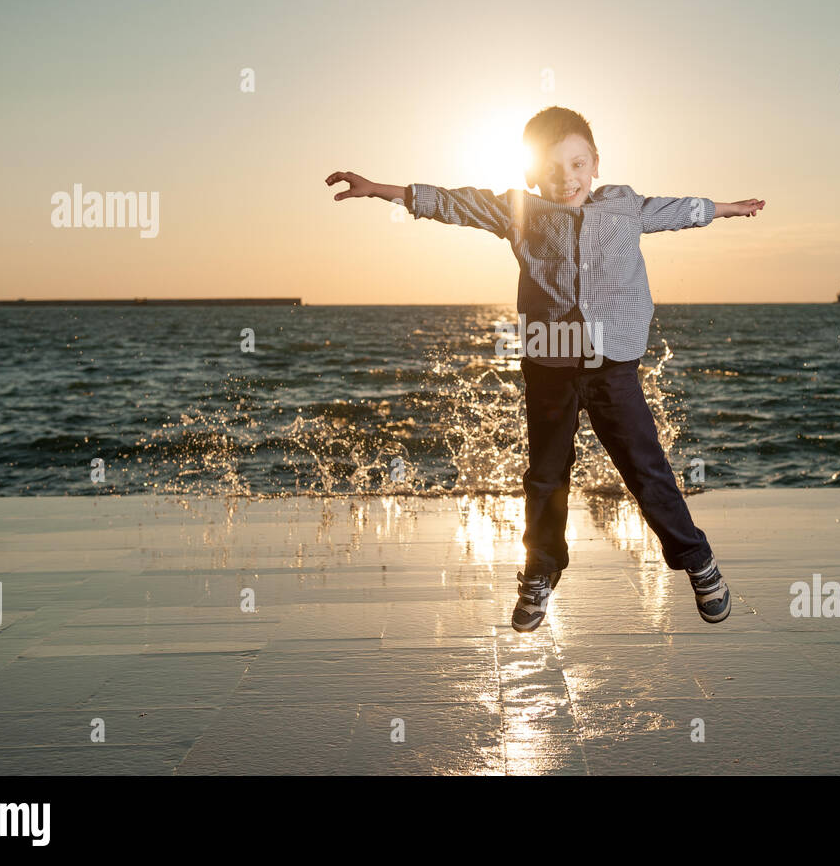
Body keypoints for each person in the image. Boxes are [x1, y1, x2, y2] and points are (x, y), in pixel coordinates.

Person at [326, 106, 763, 632]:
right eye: (553, 170)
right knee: (545, 478)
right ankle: (541, 570)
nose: (567, 179)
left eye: (578, 164)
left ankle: (698, 561)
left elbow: (681, 208)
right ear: (532, 174)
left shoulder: (625, 206)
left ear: (595, 163)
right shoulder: (519, 212)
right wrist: (380, 189)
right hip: (549, 362)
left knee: (647, 474)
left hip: (612, 367)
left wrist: (732, 207)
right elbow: (454, 202)